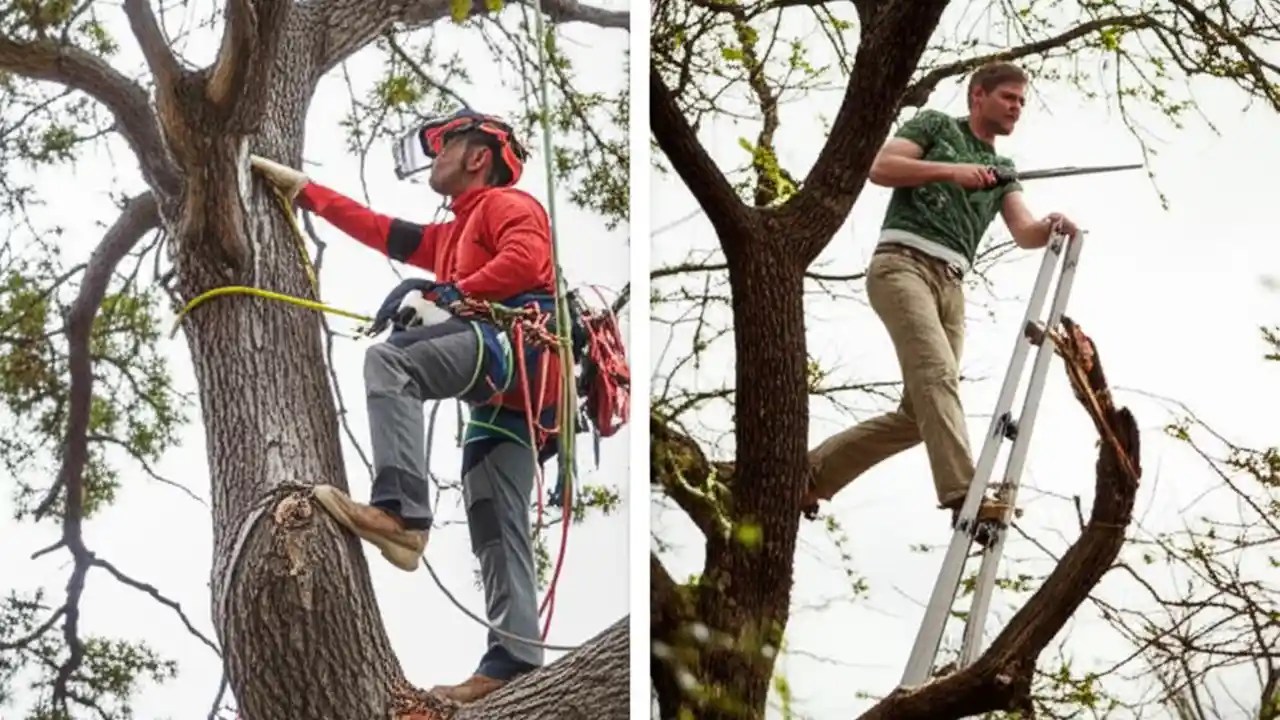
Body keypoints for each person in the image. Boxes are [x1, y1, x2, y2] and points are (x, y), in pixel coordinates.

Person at [249, 109, 562, 703]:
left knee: (390, 361)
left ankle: (400, 514)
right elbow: (377, 228)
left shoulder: (505, 205)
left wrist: (449, 292)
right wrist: (305, 191)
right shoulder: (451, 235)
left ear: (477, 157)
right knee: (495, 519)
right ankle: (514, 662)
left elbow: (525, 263)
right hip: (513, 395)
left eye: (444, 145)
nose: (435, 157)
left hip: (514, 350)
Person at [804, 62, 1079, 537]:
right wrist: (953, 172)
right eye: (1009, 97)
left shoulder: (1003, 169)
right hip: (902, 265)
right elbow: (883, 167)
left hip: (951, 284)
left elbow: (1023, 231)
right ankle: (964, 494)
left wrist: (1050, 225)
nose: (1017, 108)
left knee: (918, 416)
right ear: (979, 96)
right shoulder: (935, 126)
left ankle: (810, 476)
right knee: (938, 376)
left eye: (1021, 102)